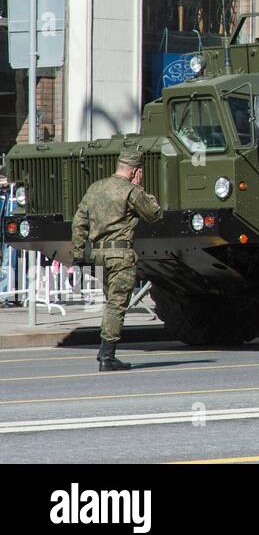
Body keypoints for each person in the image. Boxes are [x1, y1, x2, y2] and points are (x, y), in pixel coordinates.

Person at [70, 151, 162, 371]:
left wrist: (79, 254)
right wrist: (139, 187)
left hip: (98, 256)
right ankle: (107, 356)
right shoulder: (131, 190)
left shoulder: (95, 188)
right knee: (116, 304)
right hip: (120, 256)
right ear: (135, 171)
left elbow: (78, 223)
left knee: (109, 302)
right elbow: (154, 214)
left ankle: (105, 351)